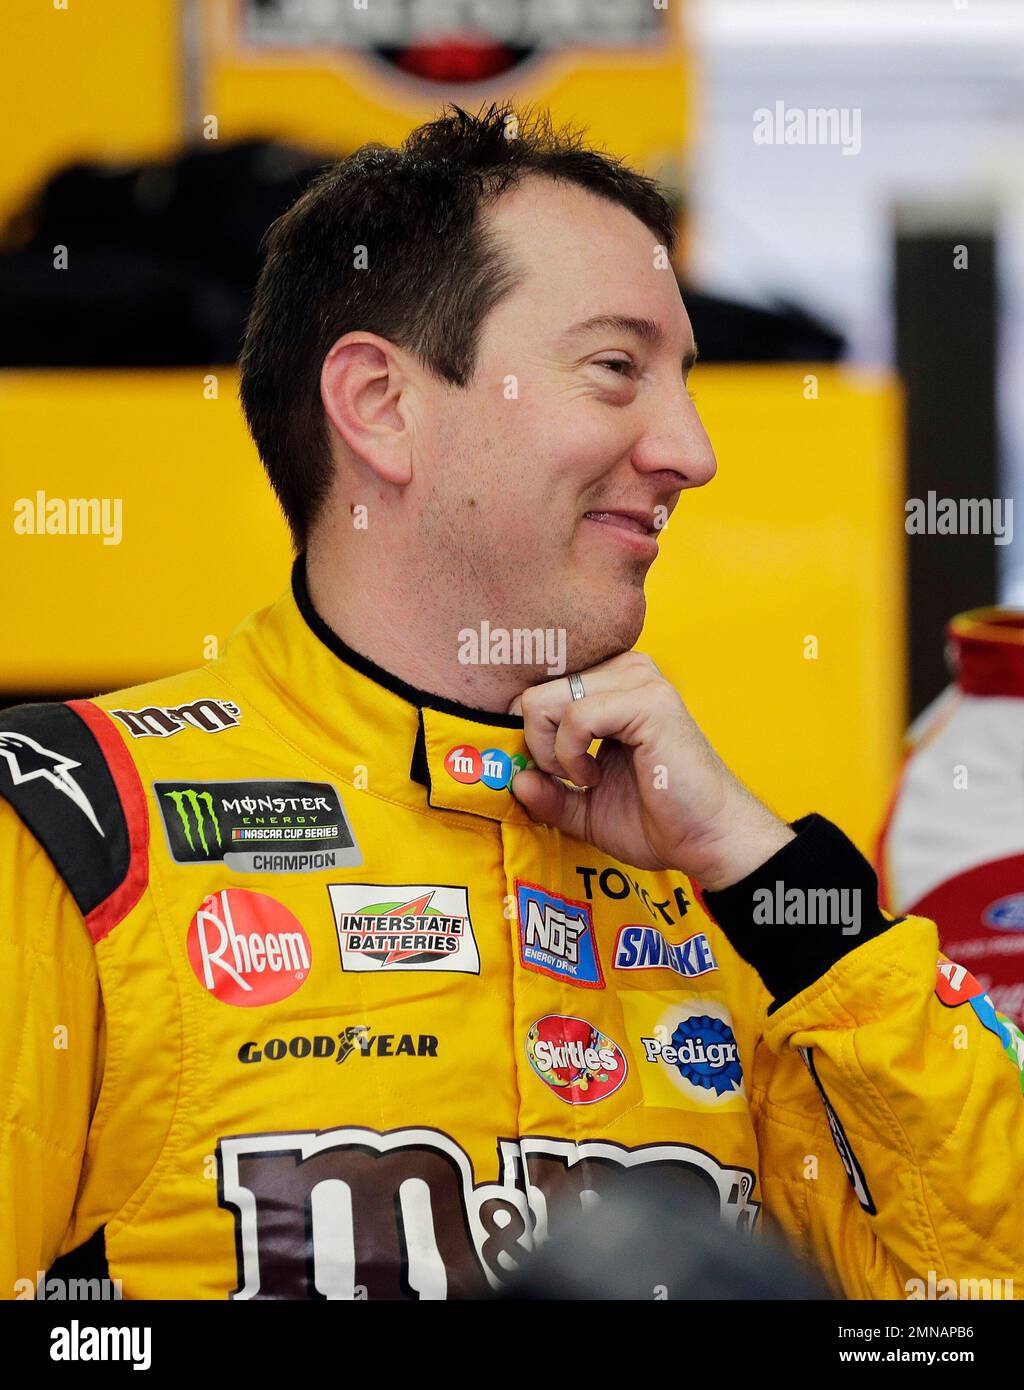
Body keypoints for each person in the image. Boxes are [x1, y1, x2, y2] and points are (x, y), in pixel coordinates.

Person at [1, 105, 1021, 1302]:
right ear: (381, 404)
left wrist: (776, 889)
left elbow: (960, 1299)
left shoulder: (735, 895)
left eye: (683, 381)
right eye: (615, 369)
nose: (690, 450)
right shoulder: (73, 829)